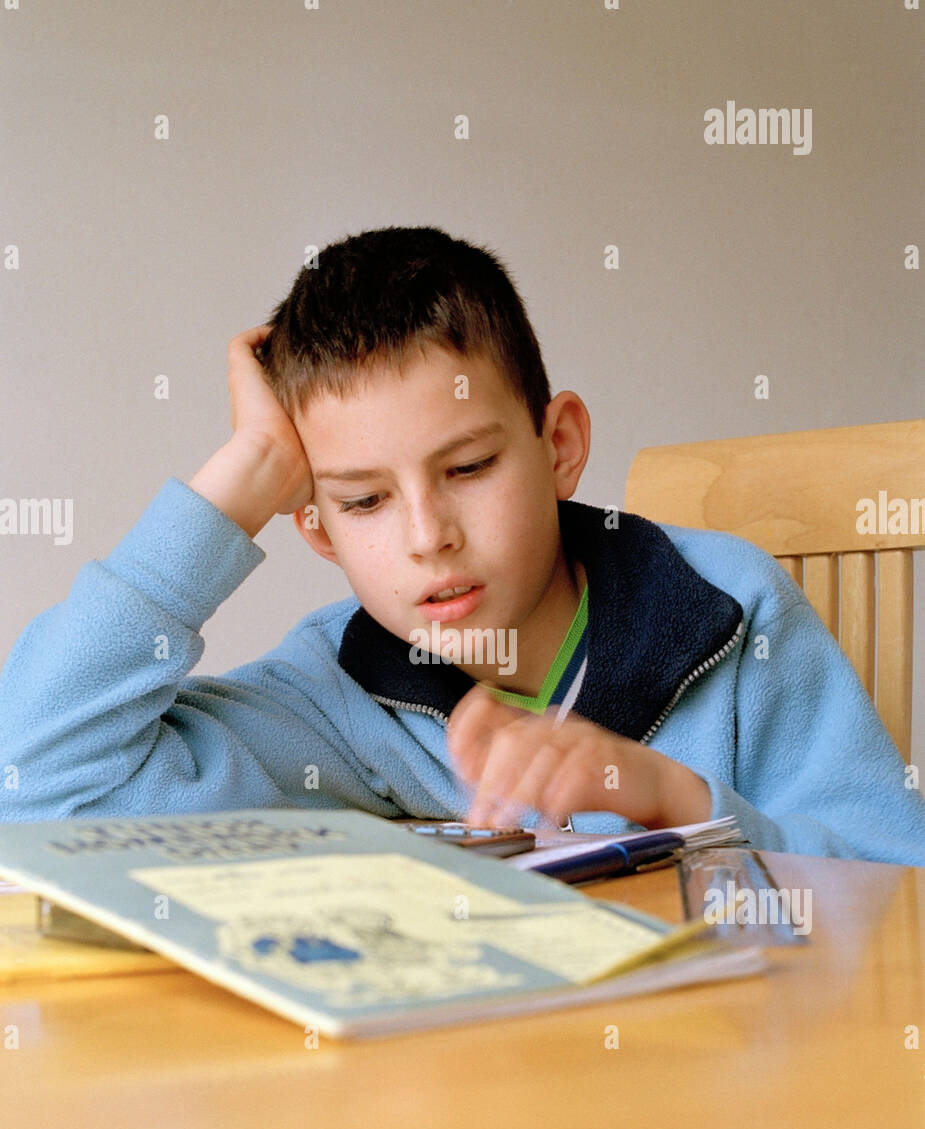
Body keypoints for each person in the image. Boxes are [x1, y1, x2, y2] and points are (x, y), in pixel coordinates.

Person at [1, 225, 923, 865]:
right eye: (362, 500)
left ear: (556, 447)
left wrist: (679, 804)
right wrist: (239, 479)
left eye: (470, 468)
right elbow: (36, 786)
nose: (427, 538)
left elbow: (898, 885)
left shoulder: (731, 612)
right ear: (313, 527)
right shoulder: (338, 689)